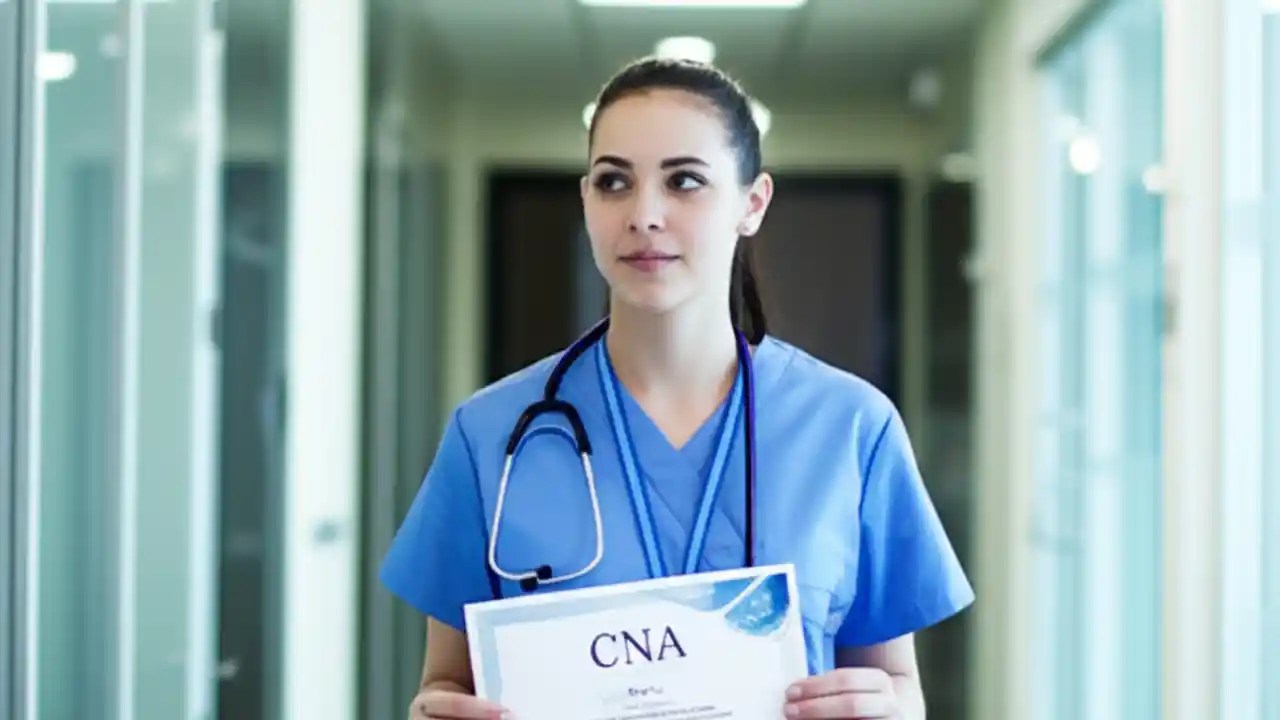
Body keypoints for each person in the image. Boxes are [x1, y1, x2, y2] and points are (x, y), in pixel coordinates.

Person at [380, 56, 973, 720]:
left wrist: (892, 711)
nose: (645, 214)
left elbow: (898, 688)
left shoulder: (850, 428)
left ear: (752, 204)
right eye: (614, 182)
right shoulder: (489, 435)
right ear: (586, 201)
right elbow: (443, 687)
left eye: (684, 181)